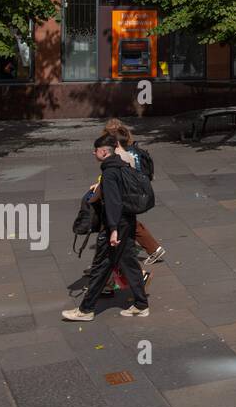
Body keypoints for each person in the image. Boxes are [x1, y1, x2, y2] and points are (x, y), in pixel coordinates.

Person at [62, 132, 150, 321]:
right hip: (128, 220)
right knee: (129, 263)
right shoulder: (121, 165)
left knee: (101, 267)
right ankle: (141, 305)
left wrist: (112, 230)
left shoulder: (109, 173)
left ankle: (86, 310)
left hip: (116, 225)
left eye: (95, 151)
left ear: (103, 152)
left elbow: (113, 203)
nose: (93, 154)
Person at [105, 119, 165, 265]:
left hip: (127, 193)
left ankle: (106, 262)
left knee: (120, 223)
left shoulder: (121, 153)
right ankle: (151, 248)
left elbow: (119, 175)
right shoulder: (133, 149)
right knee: (127, 223)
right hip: (137, 191)